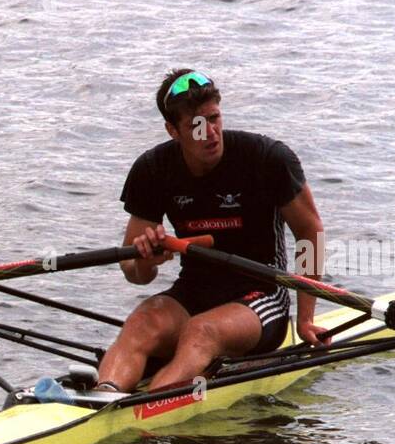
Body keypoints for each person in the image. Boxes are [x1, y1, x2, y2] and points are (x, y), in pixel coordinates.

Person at [96, 69, 328, 393]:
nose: (211, 132)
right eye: (196, 125)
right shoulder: (152, 169)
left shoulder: (266, 159)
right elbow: (134, 272)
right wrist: (148, 259)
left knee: (200, 330)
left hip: (261, 293)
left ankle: (142, 413)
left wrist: (305, 320)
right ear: (173, 130)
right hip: (194, 290)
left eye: (214, 118)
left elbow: (310, 232)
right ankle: (102, 398)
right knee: (141, 322)